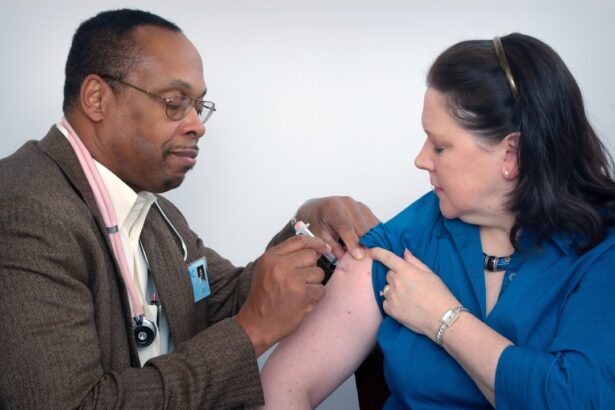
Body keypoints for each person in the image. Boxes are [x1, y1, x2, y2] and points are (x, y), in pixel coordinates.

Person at [0, 9, 379, 409]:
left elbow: (222, 300)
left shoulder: (154, 212)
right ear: (96, 98)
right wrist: (251, 333)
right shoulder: (25, 212)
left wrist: (309, 230)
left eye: (198, 106)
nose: (198, 125)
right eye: (176, 102)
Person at [259, 33, 615, 409]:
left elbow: (578, 400)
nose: (421, 159)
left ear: (512, 153)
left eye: (440, 146)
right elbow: (283, 386)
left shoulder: (601, 249)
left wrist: (444, 318)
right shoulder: (408, 239)